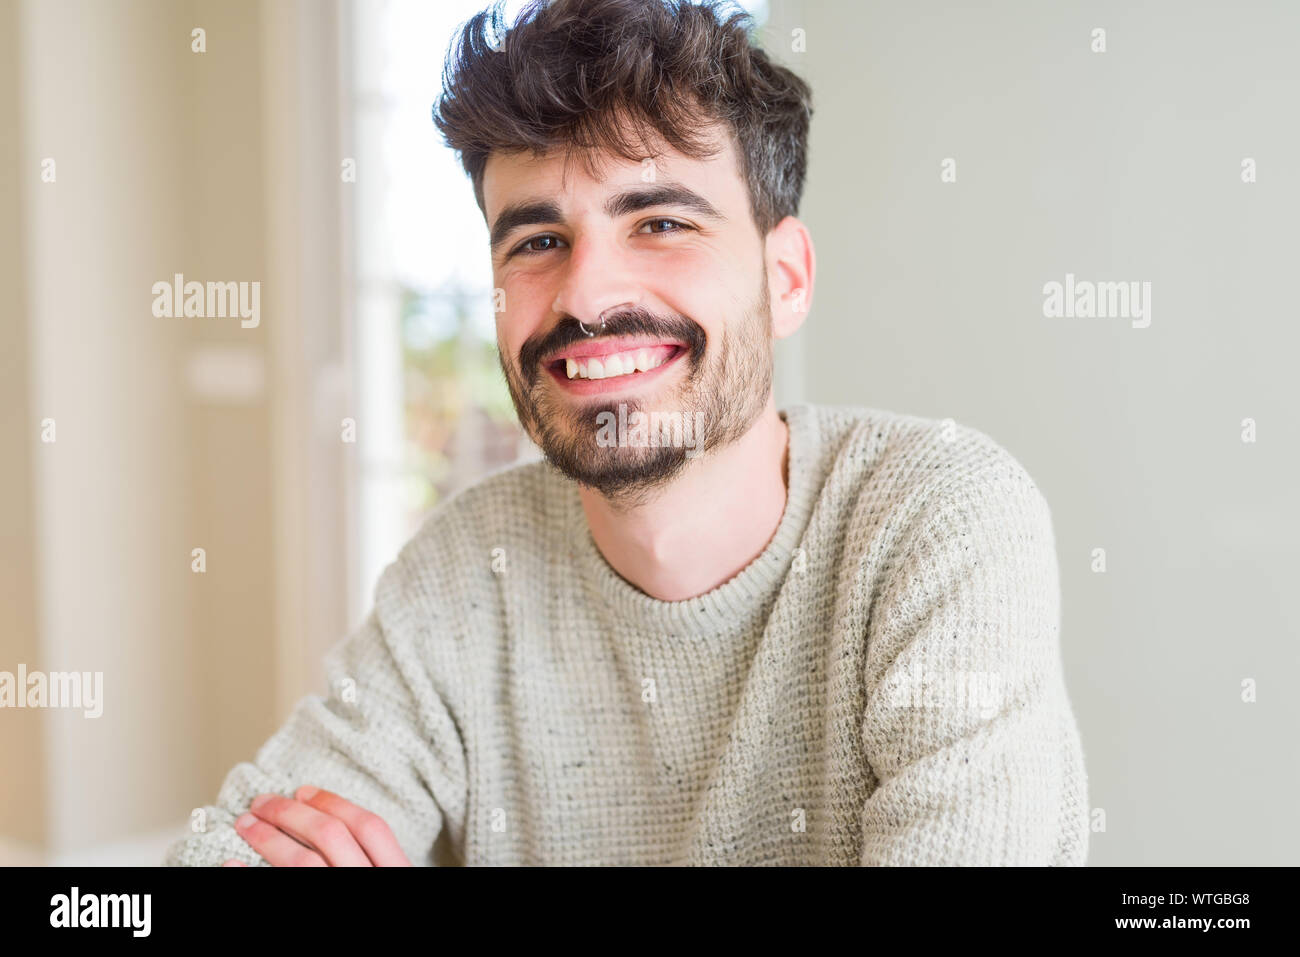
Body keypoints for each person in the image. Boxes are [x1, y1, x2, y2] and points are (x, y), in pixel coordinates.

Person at [166, 0, 1088, 867]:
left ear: (786, 280)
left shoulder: (939, 517)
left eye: (660, 222)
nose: (587, 296)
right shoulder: (465, 573)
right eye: (537, 241)